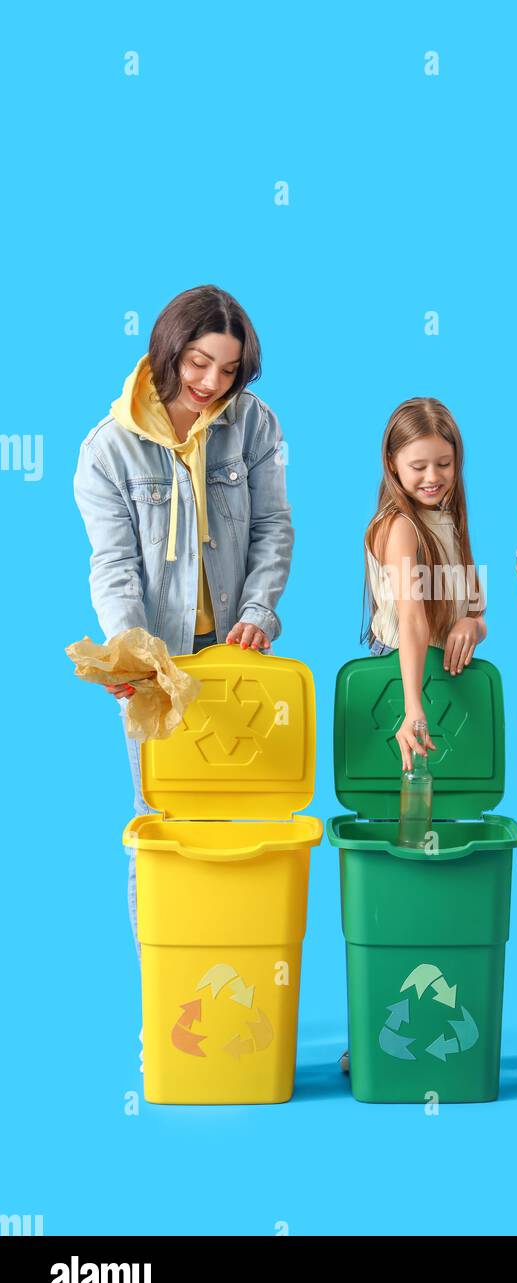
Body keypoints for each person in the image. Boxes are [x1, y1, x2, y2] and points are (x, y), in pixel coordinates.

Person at [74, 285, 294, 987]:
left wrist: (260, 610)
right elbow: (113, 568)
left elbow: (272, 528)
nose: (210, 384)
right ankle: (170, 999)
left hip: (236, 660)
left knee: (242, 826)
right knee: (162, 831)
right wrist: (135, 657)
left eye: (228, 370)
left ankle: (243, 981)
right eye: (200, 363)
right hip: (159, 669)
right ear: (167, 349)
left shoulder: (254, 426)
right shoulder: (106, 451)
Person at [339, 397, 487, 1072]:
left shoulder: (448, 518)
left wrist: (471, 626)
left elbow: (472, 609)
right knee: (400, 845)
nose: (434, 477)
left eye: (445, 464)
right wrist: (415, 707)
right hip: (399, 694)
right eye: (419, 465)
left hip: (442, 694)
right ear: (392, 465)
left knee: (441, 842)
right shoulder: (399, 528)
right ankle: (376, 1025)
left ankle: (435, 1002)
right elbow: (410, 621)